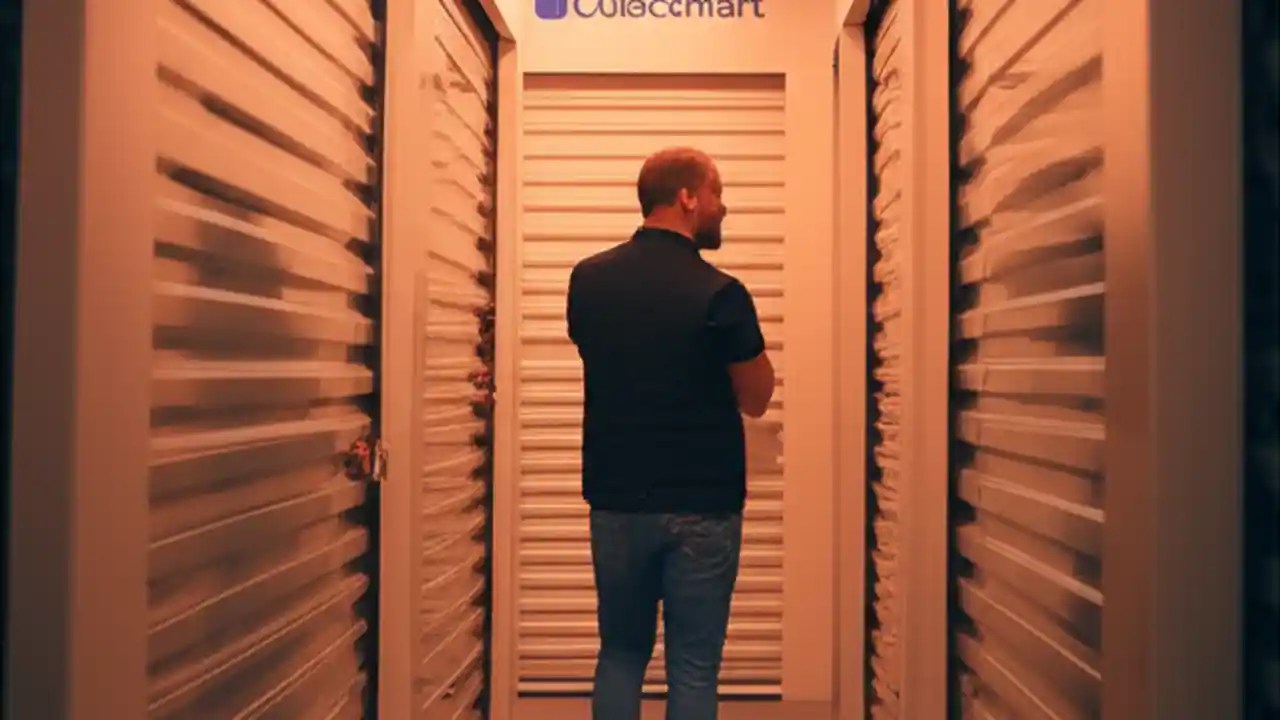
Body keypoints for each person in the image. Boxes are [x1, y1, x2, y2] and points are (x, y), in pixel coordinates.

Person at [565, 146, 776, 720]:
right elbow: (757, 398)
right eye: (717, 193)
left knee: (621, 654)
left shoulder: (588, 281)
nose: (722, 208)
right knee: (693, 666)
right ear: (687, 197)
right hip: (702, 508)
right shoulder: (722, 294)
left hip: (616, 502)